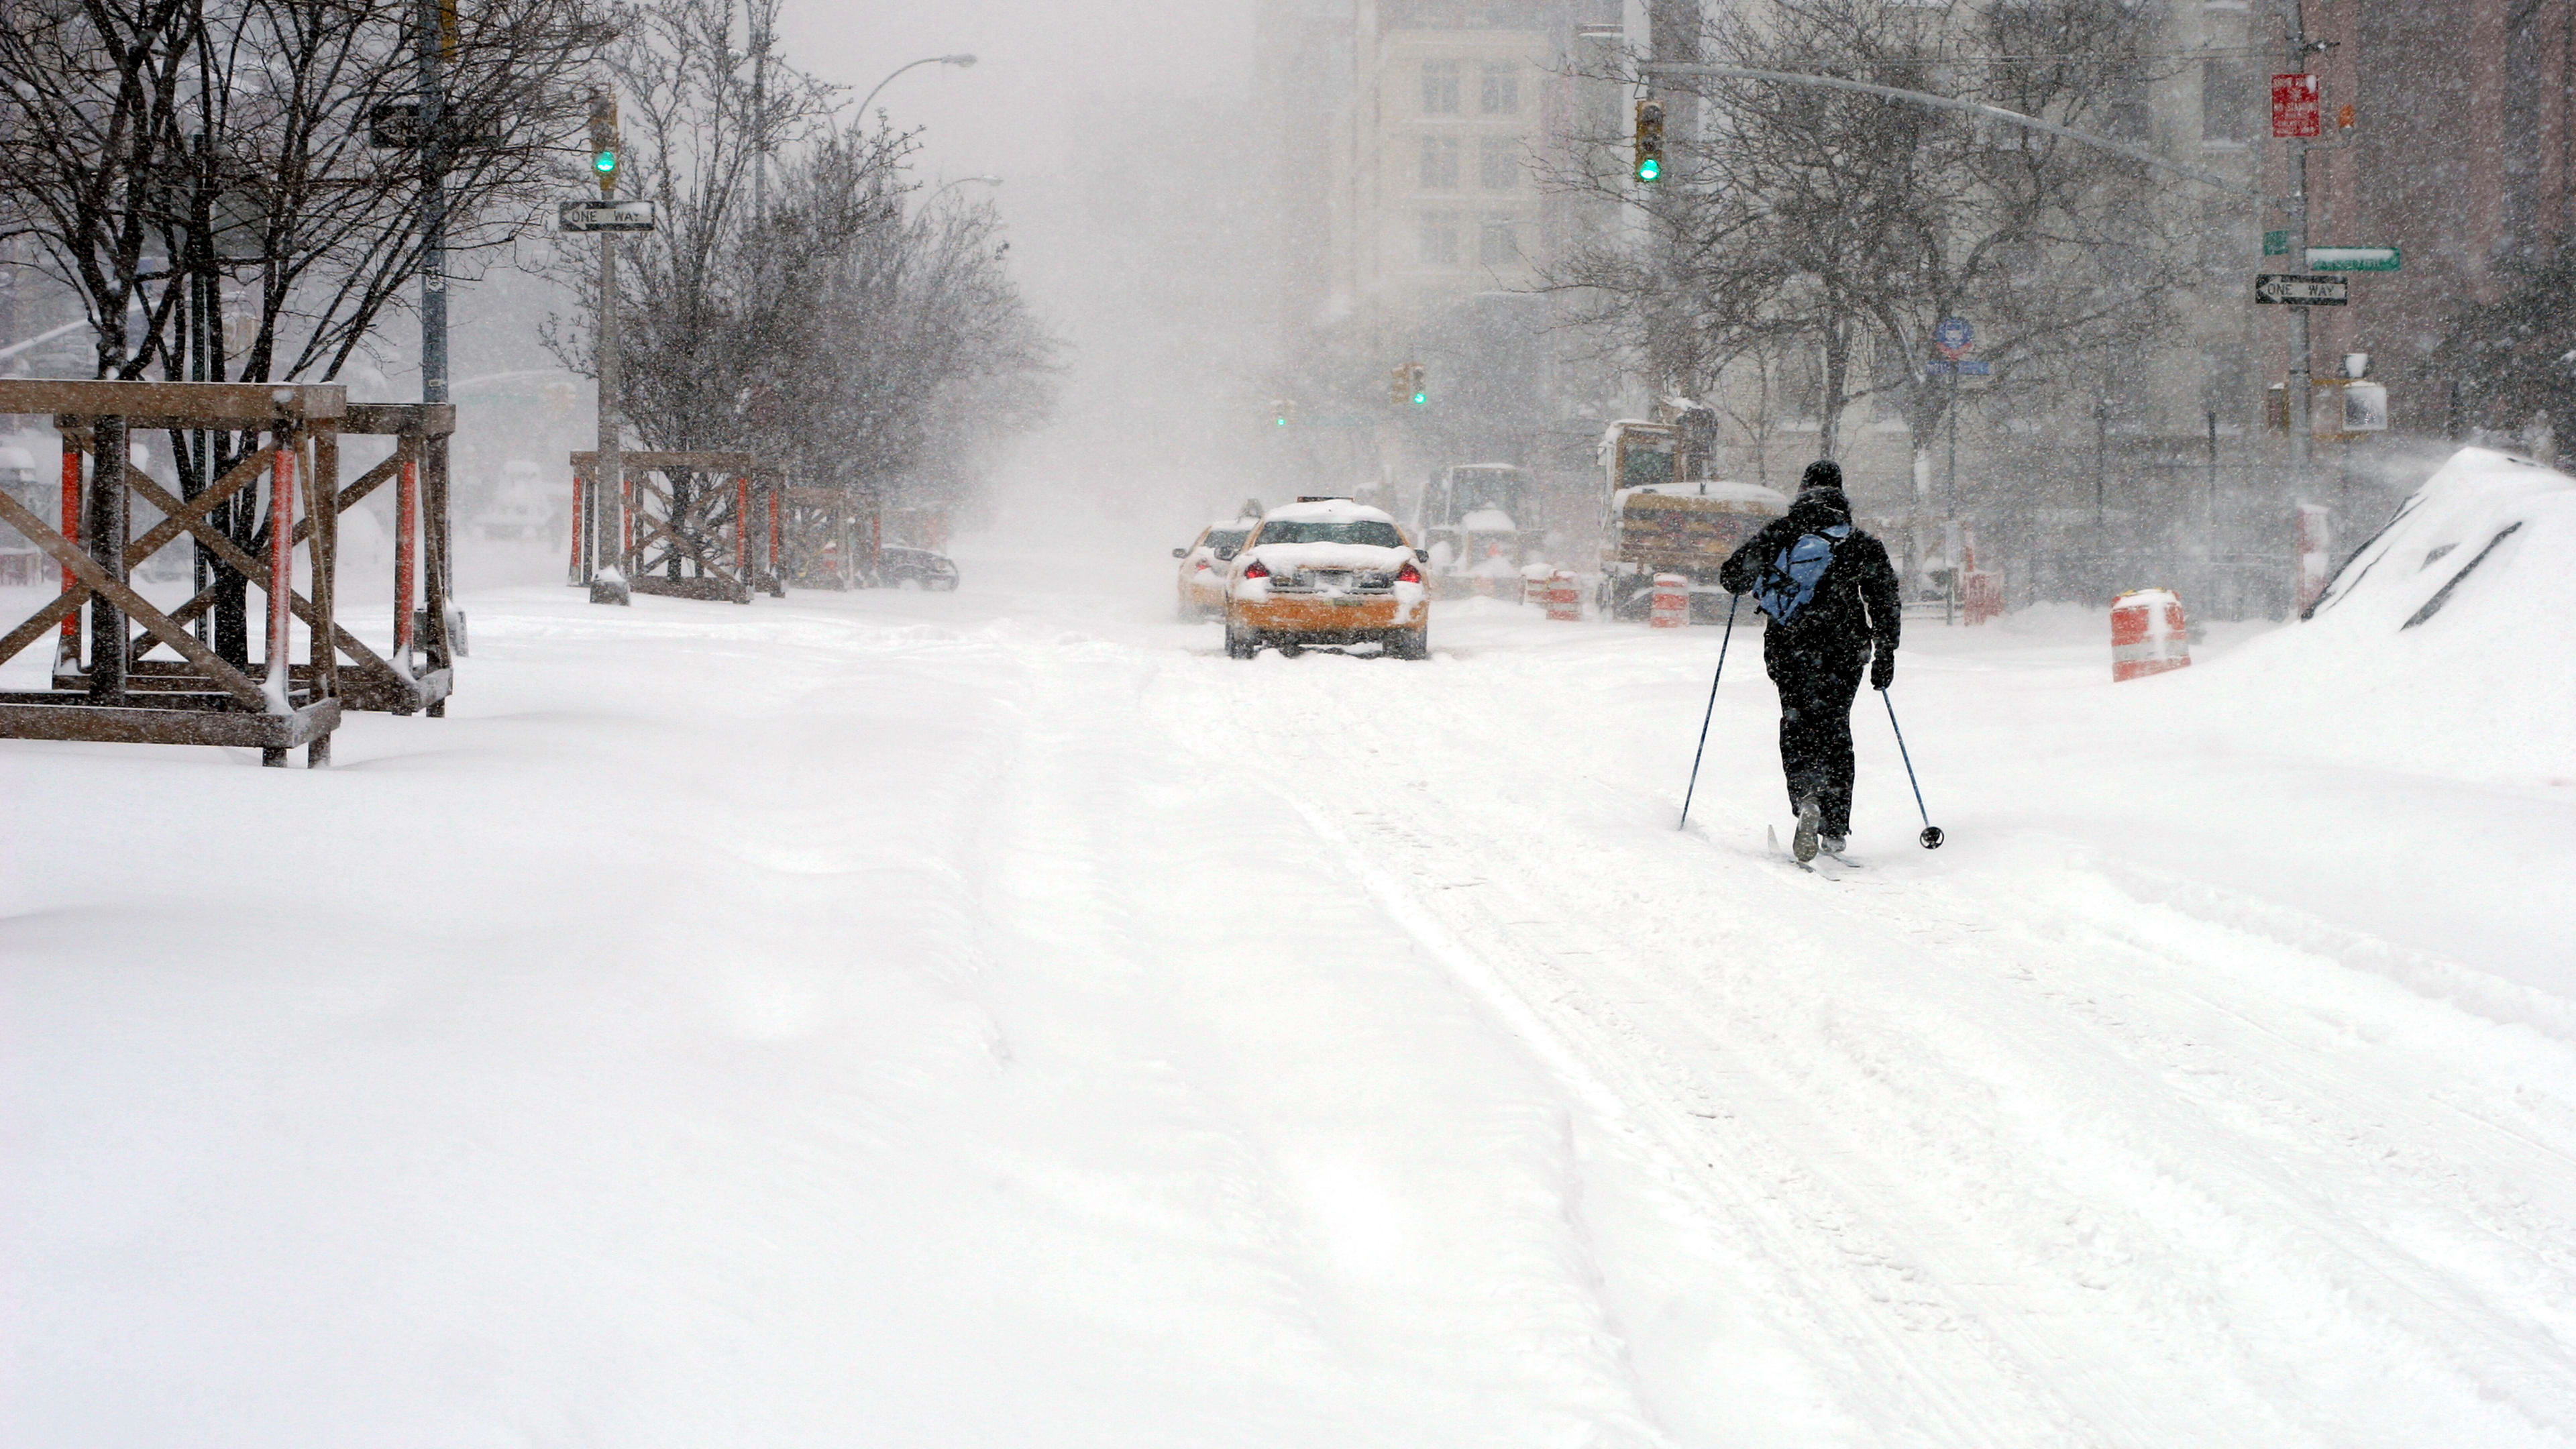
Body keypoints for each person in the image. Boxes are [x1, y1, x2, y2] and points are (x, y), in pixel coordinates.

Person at [1719, 459, 1902, 861]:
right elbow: (1885, 599)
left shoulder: (1782, 532)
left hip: (1790, 648)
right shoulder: (1859, 542)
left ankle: (1807, 797)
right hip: (1845, 650)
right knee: (1835, 726)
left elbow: (1731, 576)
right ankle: (1834, 826)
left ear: (1803, 490)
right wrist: (1886, 652)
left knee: (1797, 723)